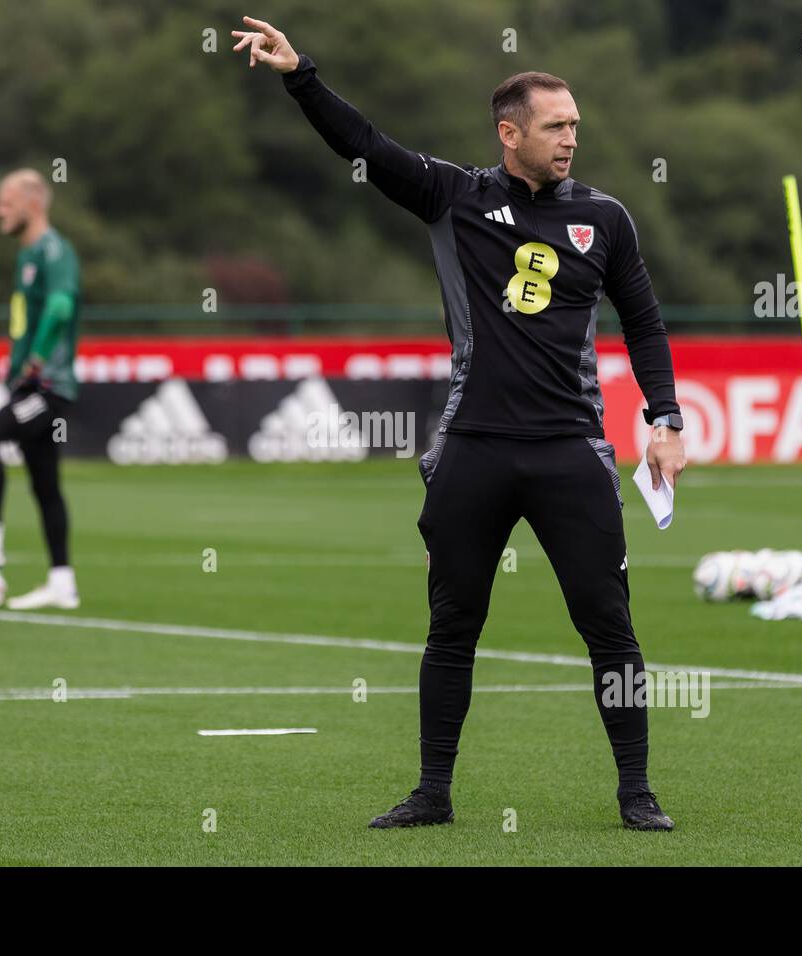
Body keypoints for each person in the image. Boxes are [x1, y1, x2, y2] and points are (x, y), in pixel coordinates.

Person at [234, 17, 687, 830]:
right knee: (453, 626)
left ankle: (637, 792)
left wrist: (666, 418)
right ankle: (432, 793)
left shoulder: (606, 218)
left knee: (609, 626)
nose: (571, 139)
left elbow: (645, 326)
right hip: (473, 449)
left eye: (576, 125)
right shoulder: (455, 195)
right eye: (556, 126)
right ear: (509, 133)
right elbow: (363, 145)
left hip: (571, 451)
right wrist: (300, 74)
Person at [0, 169, 81, 610]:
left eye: (6, 202)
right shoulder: (28, 255)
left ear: (33, 203)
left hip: (49, 386)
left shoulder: (55, 251)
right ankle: (62, 582)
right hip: (30, 384)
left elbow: (59, 306)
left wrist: (36, 357)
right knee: (45, 484)